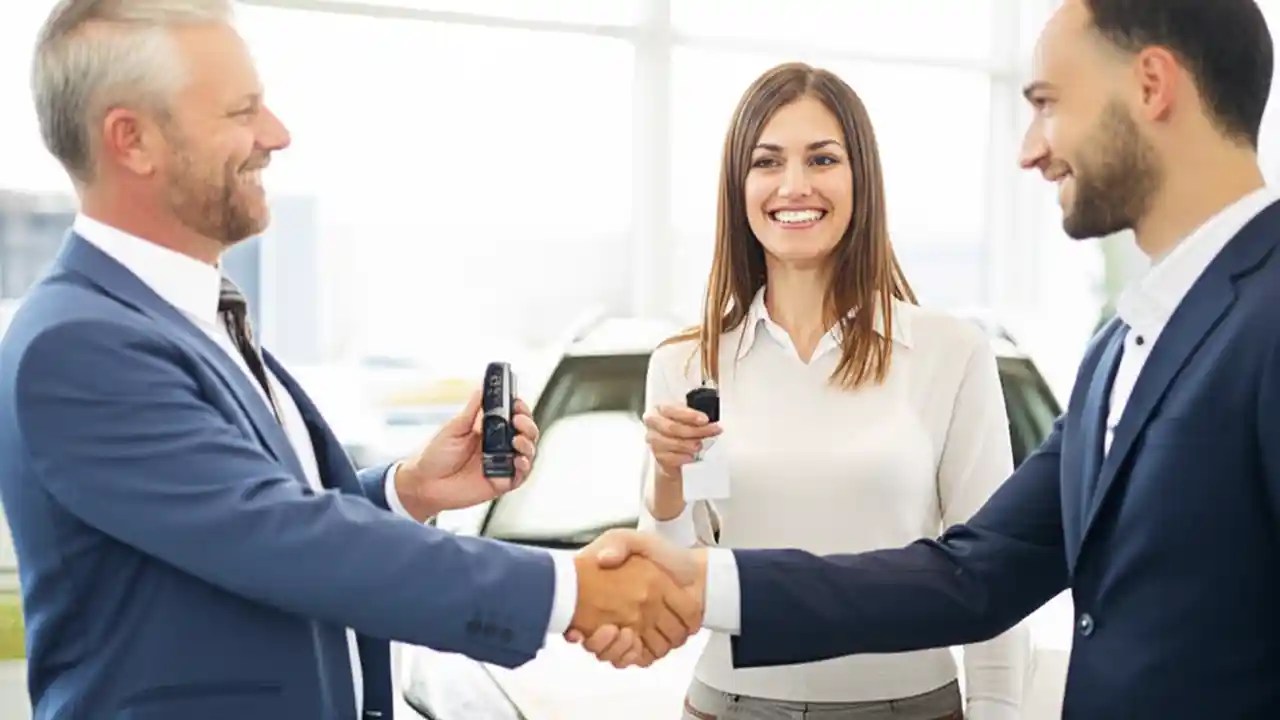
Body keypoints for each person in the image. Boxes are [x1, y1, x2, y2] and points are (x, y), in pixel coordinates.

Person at [576, 0, 1280, 717]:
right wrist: (711, 583)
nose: (1029, 150)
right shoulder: (1119, 348)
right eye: (768, 162)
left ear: (1152, 86)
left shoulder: (1259, 318)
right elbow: (979, 573)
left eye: (1048, 104)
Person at [0, 2, 698, 718]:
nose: (276, 135)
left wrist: (409, 490)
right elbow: (282, 540)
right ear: (133, 140)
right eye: (242, 111)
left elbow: (241, 523)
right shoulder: (79, 347)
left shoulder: (194, 316)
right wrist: (573, 589)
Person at [609, 61, 1028, 719]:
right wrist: (664, 478)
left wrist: (999, 709)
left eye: (822, 159)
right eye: (768, 162)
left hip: (914, 707)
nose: (794, 185)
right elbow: (670, 579)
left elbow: (997, 572)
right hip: (731, 705)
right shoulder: (688, 364)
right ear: (738, 187)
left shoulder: (951, 353)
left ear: (862, 178)